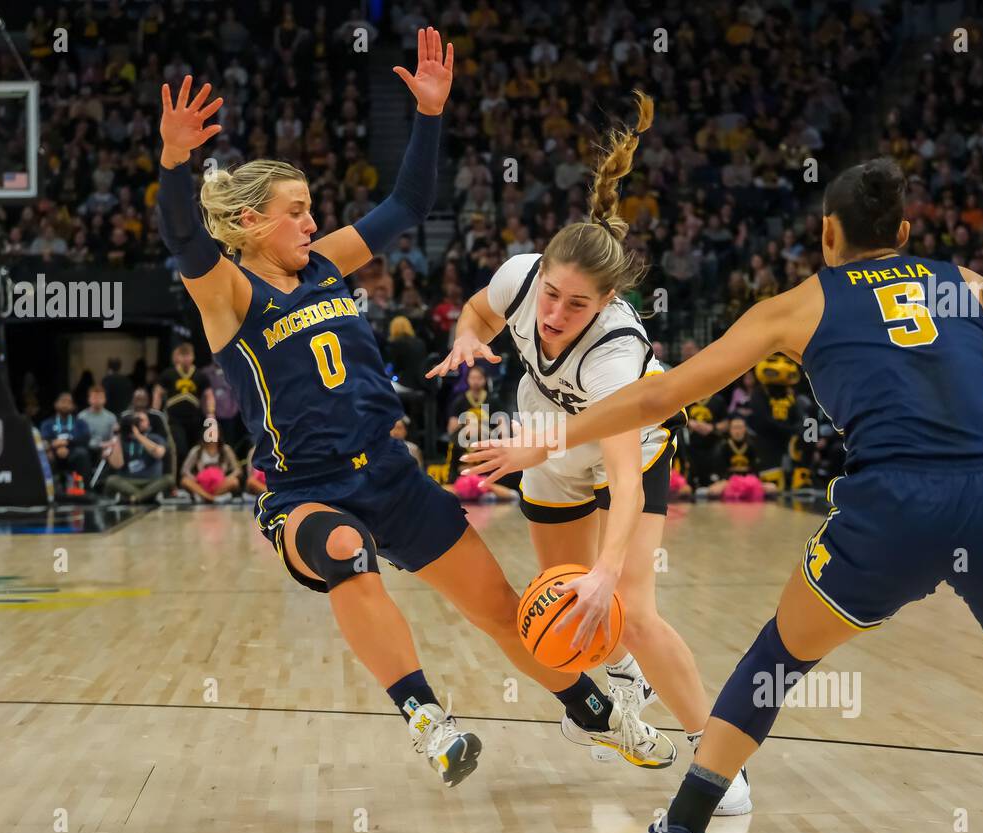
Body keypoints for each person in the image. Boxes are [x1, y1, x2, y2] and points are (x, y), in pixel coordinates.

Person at [466, 157, 983, 833]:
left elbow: (655, 399)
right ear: (906, 230)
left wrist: (548, 436)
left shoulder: (799, 305)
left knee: (778, 656)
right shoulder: (966, 285)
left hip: (894, 506)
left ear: (828, 233)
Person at [156, 33, 667, 787]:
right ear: (252, 223)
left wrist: (429, 114)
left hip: (391, 474)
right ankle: (427, 718)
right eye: (296, 212)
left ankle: (593, 712)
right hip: (306, 490)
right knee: (343, 556)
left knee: (500, 608)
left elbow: (409, 203)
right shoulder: (229, 292)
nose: (310, 222)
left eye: (311, 211)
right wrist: (172, 164)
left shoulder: (327, 262)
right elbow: (181, 240)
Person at [431, 91, 752, 803]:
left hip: (626, 453)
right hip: (544, 451)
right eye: (550, 295)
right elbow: (482, 312)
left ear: (606, 303)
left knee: (630, 611)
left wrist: (609, 569)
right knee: (573, 616)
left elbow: (623, 481)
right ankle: (615, 691)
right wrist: (464, 341)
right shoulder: (520, 279)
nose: (553, 314)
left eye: (575, 305)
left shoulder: (616, 354)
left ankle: (718, 763)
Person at [103, 410, 175, 503]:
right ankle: (145, 497)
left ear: (148, 423)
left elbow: (159, 454)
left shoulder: (155, 437)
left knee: (169, 479)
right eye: (135, 421)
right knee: (111, 480)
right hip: (128, 481)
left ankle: (135, 497)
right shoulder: (122, 440)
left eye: (141, 420)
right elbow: (117, 465)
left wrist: (138, 435)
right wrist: (118, 435)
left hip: (151, 481)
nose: (137, 423)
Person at [180, 433, 242, 502]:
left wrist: (226, 478)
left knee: (234, 481)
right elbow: (184, 470)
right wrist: (194, 478)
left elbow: (237, 470)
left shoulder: (226, 449)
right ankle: (211, 498)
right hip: (201, 484)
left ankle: (203, 497)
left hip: (219, 484)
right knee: (185, 481)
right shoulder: (197, 450)